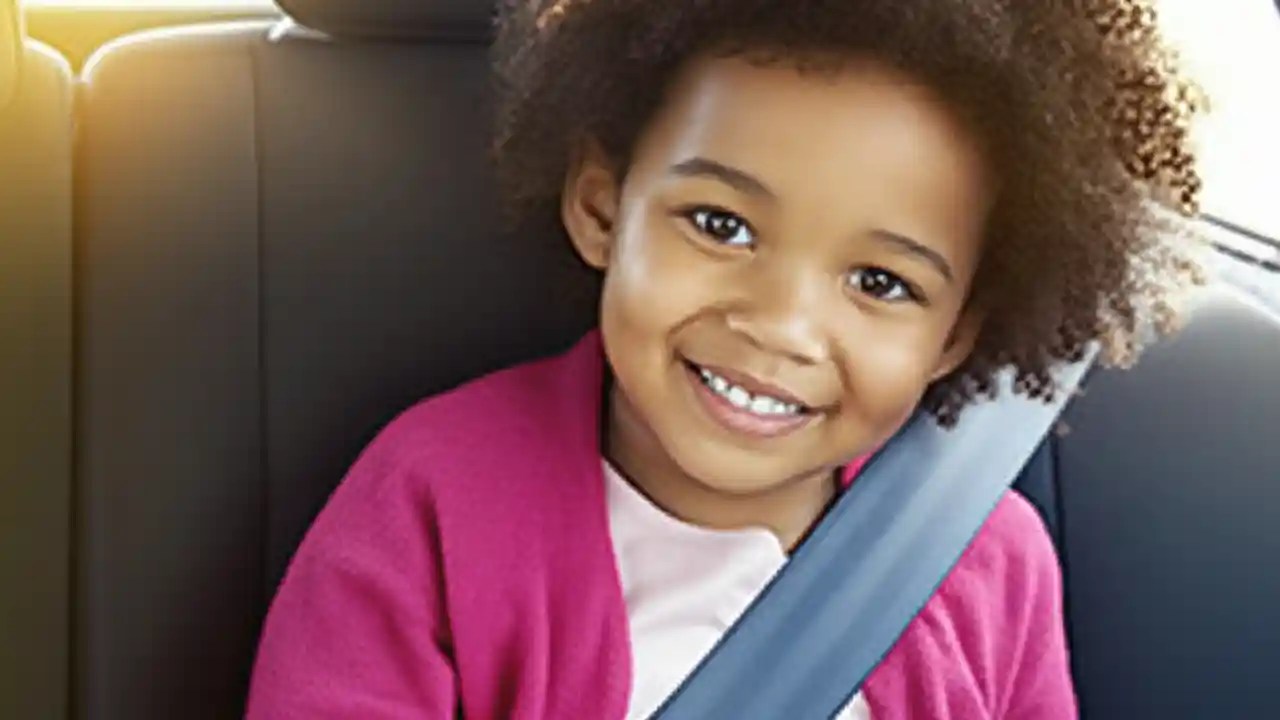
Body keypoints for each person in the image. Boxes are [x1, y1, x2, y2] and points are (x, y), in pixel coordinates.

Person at [246, 0, 1205, 717]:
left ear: (954, 333)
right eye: (721, 225)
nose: (781, 326)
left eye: (880, 284)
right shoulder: (432, 502)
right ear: (601, 206)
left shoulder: (988, 564)